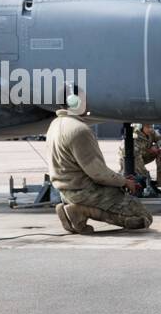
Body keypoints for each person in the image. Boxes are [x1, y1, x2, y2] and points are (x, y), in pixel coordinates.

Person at [46, 98, 152, 233]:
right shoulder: (79, 130)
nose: (88, 104)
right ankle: (81, 211)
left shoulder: (55, 125)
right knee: (143, 217)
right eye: (85, 101)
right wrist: (124, 182)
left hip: (66, 191)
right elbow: (98, 174)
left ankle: (73, 209)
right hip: (86, 191)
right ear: (77, 103)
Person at [119, 123, 161, 188]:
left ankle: (160, 180)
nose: (150, 129)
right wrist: (146, 176)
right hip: (131, 159)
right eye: (147, 127)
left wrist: (156, 146)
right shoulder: (135, 135)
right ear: (141, 127)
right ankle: (143, 180)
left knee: (160, 152)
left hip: (144, 155)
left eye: (151, 127)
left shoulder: (151, 132)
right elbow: (124, 149)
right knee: (137, 175)